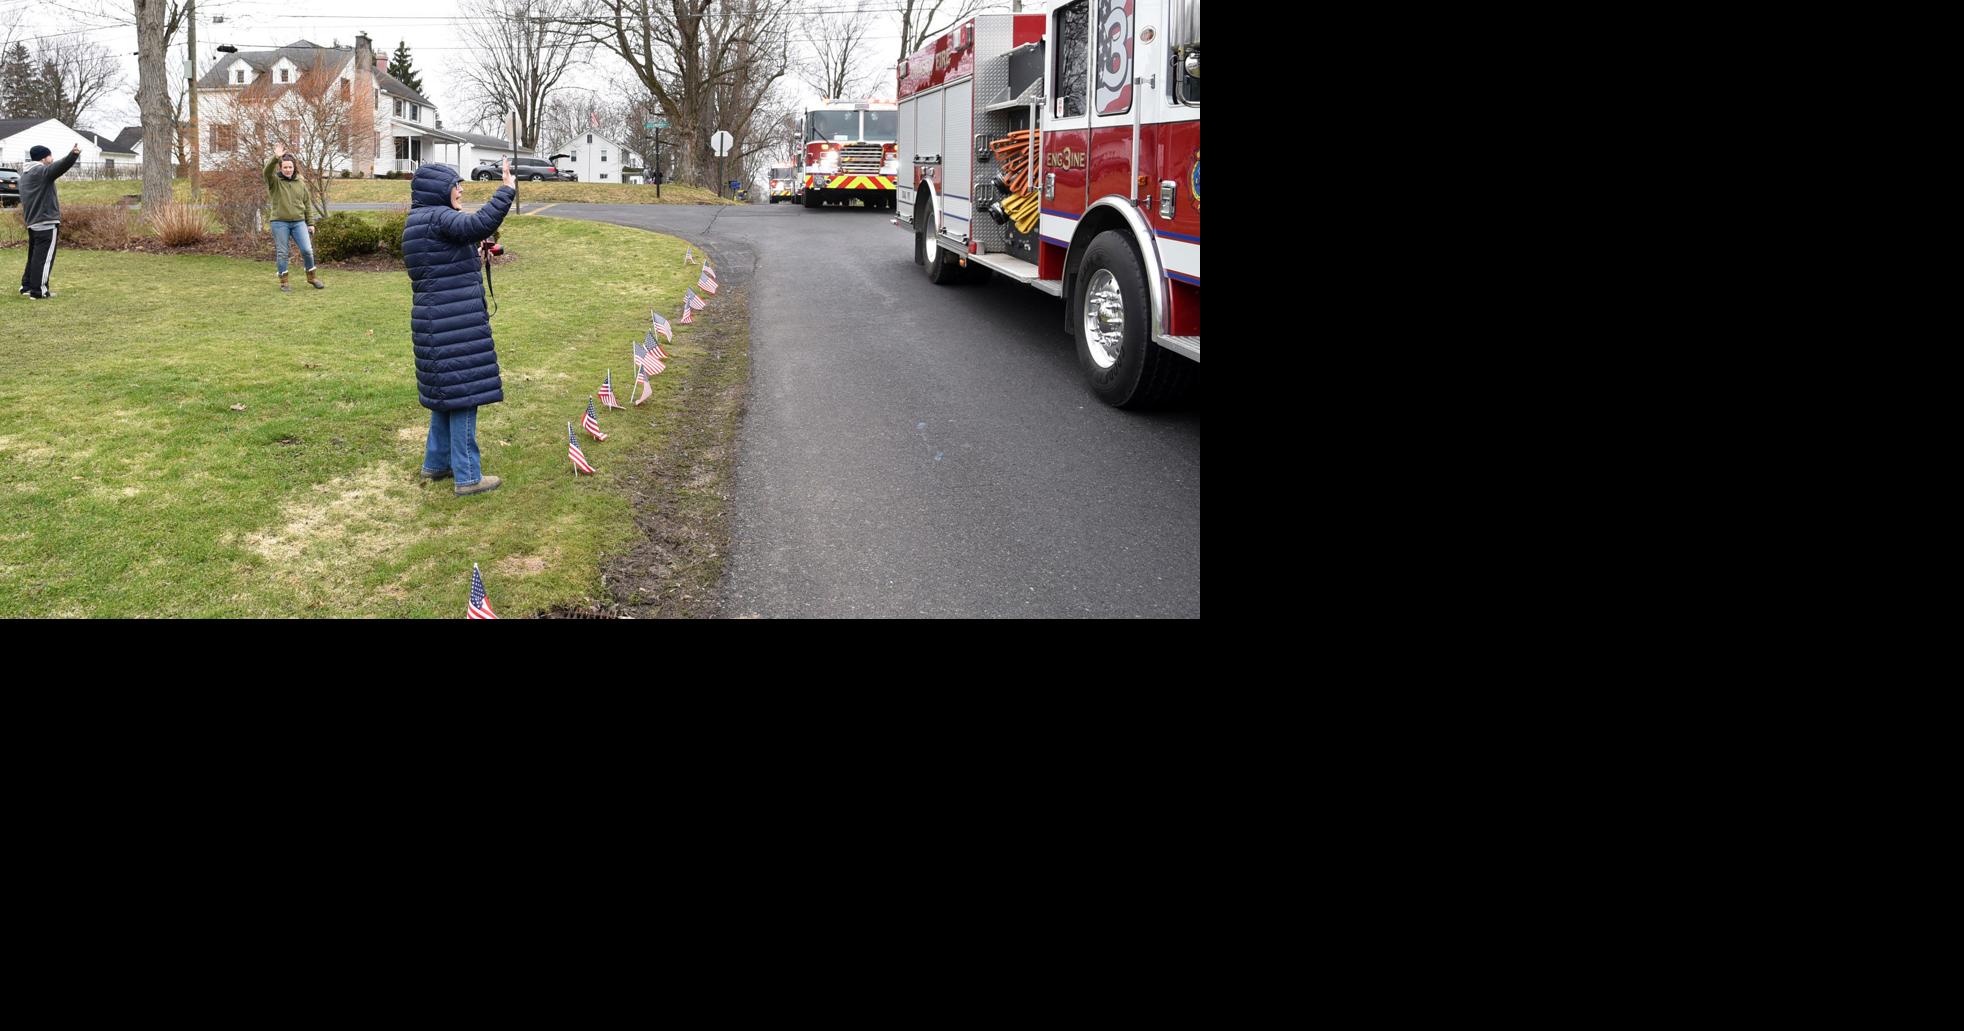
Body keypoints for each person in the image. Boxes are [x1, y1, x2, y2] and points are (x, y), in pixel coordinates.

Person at [403, 158, 517, 496]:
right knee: (464, 395)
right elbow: (480, 223)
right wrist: (506, 190)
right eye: (456, 185)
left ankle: (436, 463)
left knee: (446, 396)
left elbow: (444, 263)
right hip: (453, 323)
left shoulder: (418, 220)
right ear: (440, 189)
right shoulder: (439, 217)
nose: (461, 190)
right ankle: (468, 477)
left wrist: (472, 255)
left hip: (435, 323)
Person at [18, 143, 80, 300]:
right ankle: (39, 291)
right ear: (43, 158)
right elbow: (60, 166)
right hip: (46, 222)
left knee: (34, 257)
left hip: (33, 222)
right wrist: (73, 154)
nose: (52, 159)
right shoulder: (42, 172)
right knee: (44, 259)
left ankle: (27, 286)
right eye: (50, 156)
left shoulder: (24, 175)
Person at [265, 145, 323, 292]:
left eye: (290, 167)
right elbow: (266, 171)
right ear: (280, 168)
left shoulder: (300, 182)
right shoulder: (274, 182)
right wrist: (276, 157)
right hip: (279, 222)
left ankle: (312, 277)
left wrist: (310, 223)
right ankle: (284, 282)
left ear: (294, 167)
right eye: (285, 167)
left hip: (299, 222)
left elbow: (307, 203)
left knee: (307, 250)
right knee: (282, 253)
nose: (288, 170)